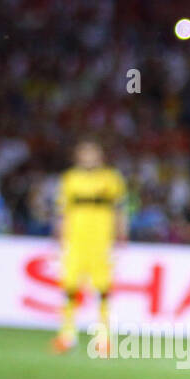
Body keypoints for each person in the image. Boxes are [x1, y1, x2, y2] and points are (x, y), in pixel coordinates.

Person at [52, 140, 126, 354]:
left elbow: (120, 209)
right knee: (69, 286)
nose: (89, 158)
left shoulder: (111, 179)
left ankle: (103, 337)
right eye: (85, 154)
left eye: (92, 153)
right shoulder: (70, 179)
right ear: (78, 156)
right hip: (75, 240)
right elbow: (62, 210)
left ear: (100, 156)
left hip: (101, 242)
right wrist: (59, 233)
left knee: (103, 288)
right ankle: (67, 334)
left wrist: (121, 232)